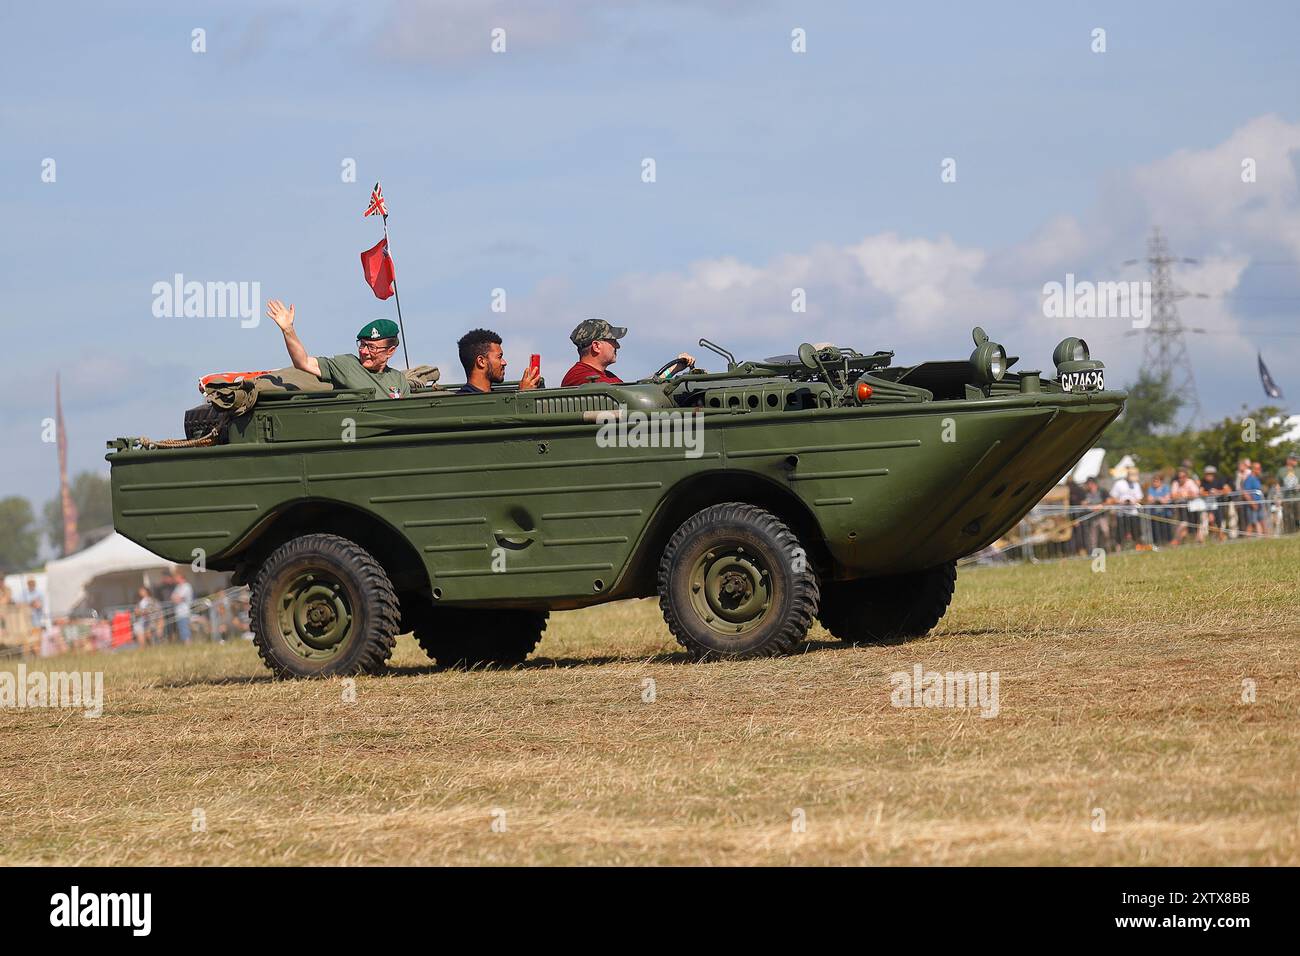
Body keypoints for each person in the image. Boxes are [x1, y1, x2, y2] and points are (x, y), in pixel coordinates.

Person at [266, 300, 410, 400]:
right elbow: (303, 363)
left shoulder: (398, 379)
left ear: (390, 351)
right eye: (362, 344)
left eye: (372, 347)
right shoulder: (347, 365)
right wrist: (288, 330)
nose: (364, 351)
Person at [560, 319, 696, 387]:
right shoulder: (581, 377)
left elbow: (642, 388)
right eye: (612, 340)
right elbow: (635, 395)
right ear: (596, 346)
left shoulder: (605, 376)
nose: (617, 345)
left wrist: (674, 369)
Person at [455, 329, 540, 394]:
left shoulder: (496, 397)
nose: (504, 362)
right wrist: (523, 396)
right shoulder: (461, 404)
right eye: (499, 357)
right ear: (481, 361)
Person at [1107, 467, 1144, 550]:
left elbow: (1140, 497)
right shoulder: (1119, 484)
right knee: (1119, 534)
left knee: (1136, 532)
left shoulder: (1136, 484)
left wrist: (1133, 501)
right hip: (1121, 513)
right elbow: (1112, 497)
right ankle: (1118, 550)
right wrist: (1121, 501)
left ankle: (1137, 548)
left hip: (1133, 513)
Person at [1200, 465, 1232, 543]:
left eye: (1210, 474)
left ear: (1214, 474)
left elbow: (1228, 490)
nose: (1208, 476)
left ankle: (1221, 536)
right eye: (1207, 474)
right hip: (1209, 505)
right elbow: (1200, 492)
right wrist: (1208, 493)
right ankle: (1218, 536)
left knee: (1219, 522)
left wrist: (1218, 492)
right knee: (1211, 520)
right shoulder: (1203, 482)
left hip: (1219, 504)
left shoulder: (1219, 480)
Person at [1169, 466, 1200, 546]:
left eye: (1183, 477)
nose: (1181, 479)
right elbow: (1173, 496)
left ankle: (1196, 540)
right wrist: (1185, 494)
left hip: (1192, 508)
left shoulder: (1190, 482)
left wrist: (1182, 495)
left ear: (1186, 476)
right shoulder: (1175, 483)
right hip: (1180, 508)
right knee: (1183, 524)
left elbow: (1195, 494)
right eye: (1179, 477)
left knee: (1194, 524)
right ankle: (1176, 540)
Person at [1146, 472, 1173, 548]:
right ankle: (1157, 545)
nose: (1155, 482)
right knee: (1155, 530)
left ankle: (1167, 544)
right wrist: (1159, 499)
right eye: (1153, 481)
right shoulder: (1151, 489)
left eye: (1156, 480)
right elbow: (1149, 499)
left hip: (1165, 513)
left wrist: (1157, 499)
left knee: (1166, 529)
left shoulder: (1166, 488)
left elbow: (1166, 499)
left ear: (1161, 481)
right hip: (1154, 514)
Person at [170, 571, 195, 644]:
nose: (175, 579)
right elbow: (172, 598)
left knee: (185, 631)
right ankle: (185, 645)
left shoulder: (187, 586)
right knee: (181, 631)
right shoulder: (178, 587)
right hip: (178, 613)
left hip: (185, 612)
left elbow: (179, 599)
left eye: (177, 577)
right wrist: (176, 598)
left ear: (181, 578)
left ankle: (188, 645)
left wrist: (176, 598)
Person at [1278, 452, 1300, 534]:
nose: (1296, 461)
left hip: (1298, 498)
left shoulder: (1298, 470)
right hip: (1286, 499)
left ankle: (1298, 534)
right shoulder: (1281, 471)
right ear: (1289, 460)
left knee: (1298, 518)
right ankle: (1288, 534)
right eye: (1294, 459)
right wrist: (1278, 497)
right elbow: (1278, 485)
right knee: (1287, 519)